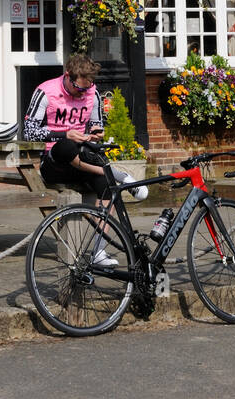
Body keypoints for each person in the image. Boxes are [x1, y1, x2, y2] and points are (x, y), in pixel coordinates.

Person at [24, 54, 148, 269]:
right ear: (68, 76)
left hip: (83, 160)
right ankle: (118, 174)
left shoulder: (93, 93)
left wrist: (95, 133)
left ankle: (98, 252)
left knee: (107, 189)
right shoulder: (45, 91)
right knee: (67, 145)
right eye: (78, 89)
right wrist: (63, 134)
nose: (82, 93)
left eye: (86, 88)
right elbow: (29, 132)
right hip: (55, 162)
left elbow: (96, 124)